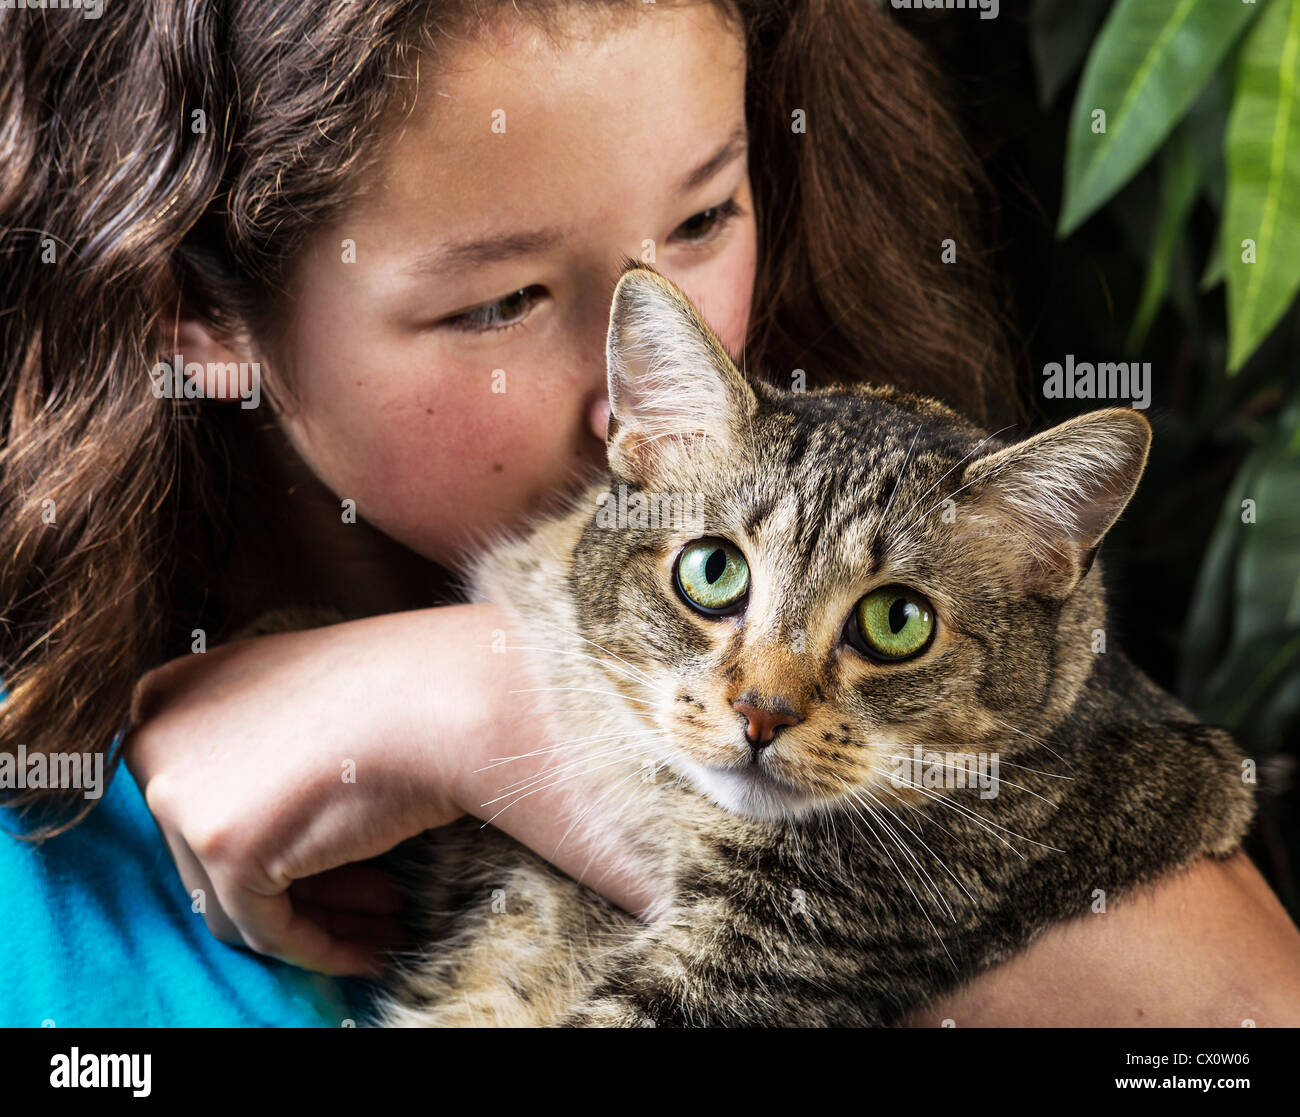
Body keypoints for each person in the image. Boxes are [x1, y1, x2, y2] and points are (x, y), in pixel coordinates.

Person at [2, 0, 1297, 1027]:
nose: (640, 409)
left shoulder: (861, 554)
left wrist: (484, 696)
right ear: (195, 310)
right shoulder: (44, 890)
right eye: (501, 301)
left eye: (703, 216)